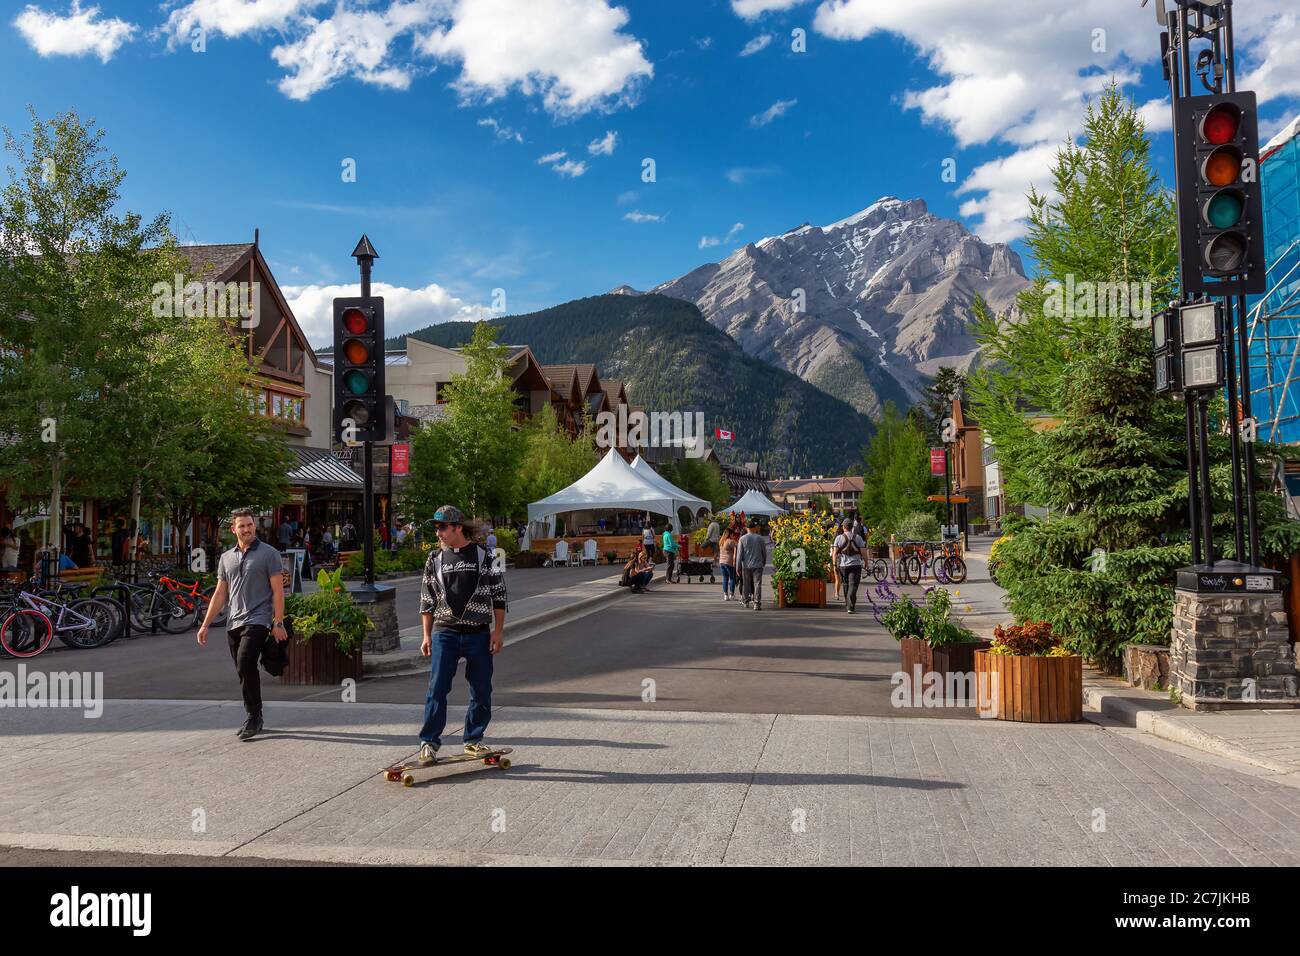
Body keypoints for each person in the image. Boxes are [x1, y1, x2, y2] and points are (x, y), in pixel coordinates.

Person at [416, 505, 507, 766]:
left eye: (442, 527)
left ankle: (473, 739)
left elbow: (499, 596)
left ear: (457, 527)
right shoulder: (434, 559)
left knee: (481, 688)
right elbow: (427, 600)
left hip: (477, 632)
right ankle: (429, 743)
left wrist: (498, 632)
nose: (438, 533)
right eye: (436, 527)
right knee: (437, 688)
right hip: (445, 632)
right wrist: (426, 635)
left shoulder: (485, 556)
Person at [197, 509, 289, 741]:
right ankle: (255, 712)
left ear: (254, 526)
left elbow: (278, 591)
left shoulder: (269, 554)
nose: (247, 529)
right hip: (233, 622)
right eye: (242, 526)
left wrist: (277, 622)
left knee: (245, 660)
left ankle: (253, 716)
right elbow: (220, 593)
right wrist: (205, 624)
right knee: (243, 669)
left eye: (250, 525)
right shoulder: (226, 558)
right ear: (234, 529)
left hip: (259, 619)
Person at [832, 517, 867, 614]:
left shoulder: (838, 538)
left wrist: (834, 565)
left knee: (846, 584)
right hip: (855, 565)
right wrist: (866, 563)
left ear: (843, 527)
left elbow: (835, 553)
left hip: (843, 565)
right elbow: (863, 552)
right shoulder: (858, 538)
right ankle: (850, 607)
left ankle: (848, 604)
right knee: (853, 585)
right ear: (852, 527)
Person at [737, 518, 768, 610]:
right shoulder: (760, 538)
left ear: (746, 528)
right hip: (758, 565)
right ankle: (757, 603)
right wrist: (763, 562)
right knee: (757, 584)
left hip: (746, 566)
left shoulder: (742, 539)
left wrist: (738, 567)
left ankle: (746, 602)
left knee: (746, 584)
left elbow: (739, 554)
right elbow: (764, 553)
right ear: (754, 528)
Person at [718, 527, 738, 602]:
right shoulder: (730, 541)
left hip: (721, 562)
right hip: (729, 562)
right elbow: (737, 547)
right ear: (730, 534)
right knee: (732, 578)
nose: (733, 536)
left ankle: (725, 595)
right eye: (732, 534)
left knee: (725, 578)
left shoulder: (721, 541)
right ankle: (732, 594)